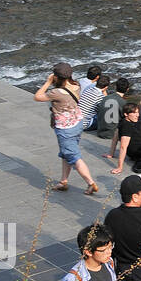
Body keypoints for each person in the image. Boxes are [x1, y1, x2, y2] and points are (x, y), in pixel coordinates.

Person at [32, 63, 100, 194]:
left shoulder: (56, 92)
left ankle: (91, 183)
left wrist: (47, 82)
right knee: (66, 153)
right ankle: (64, 181)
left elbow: (37, 97)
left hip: (65, 129)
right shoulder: (76, 85)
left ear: (57, 77)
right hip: (77, 123)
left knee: (74, 157)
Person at [110, 100, 141, 175]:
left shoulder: (123, 121)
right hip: (140, 153)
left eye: (137, 112)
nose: (137, 115)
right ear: (126, 114)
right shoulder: (127, 126)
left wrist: (111, 153)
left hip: (136, 151)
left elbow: (115, 138)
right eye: (134, 113)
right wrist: (120, 167)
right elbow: (123, 147)